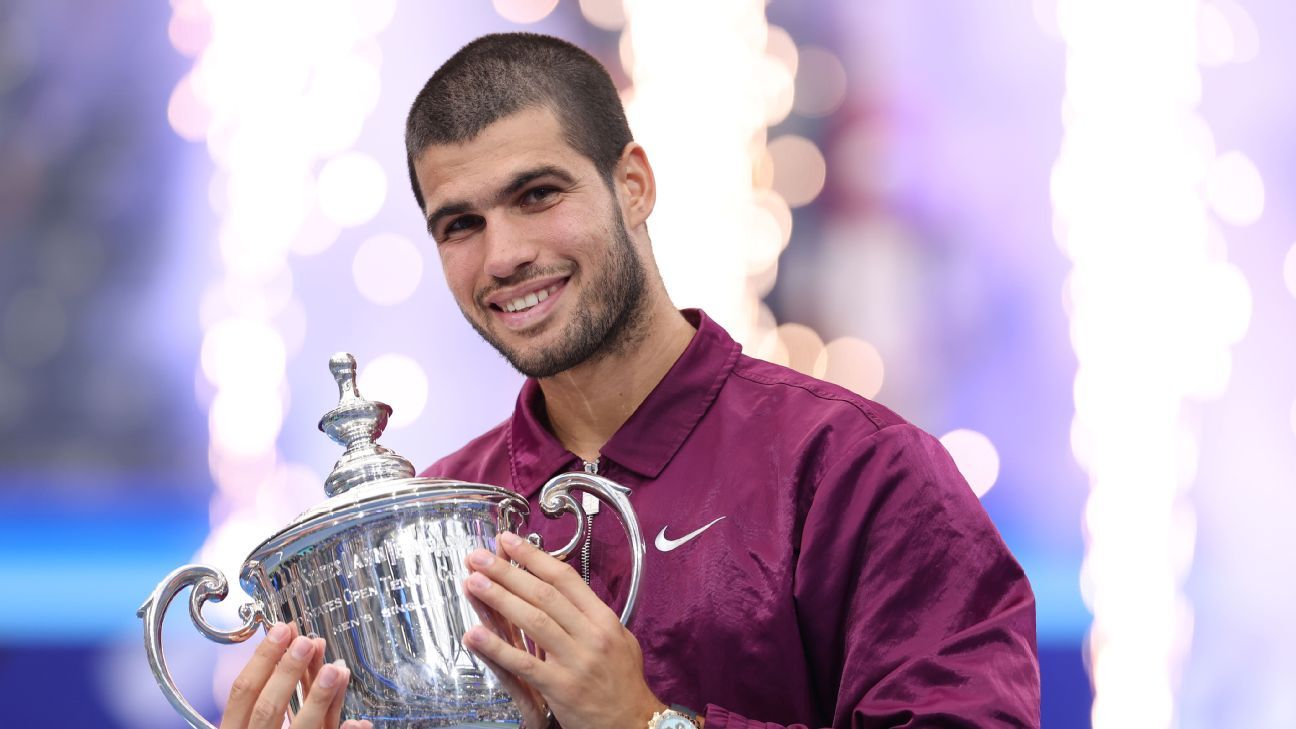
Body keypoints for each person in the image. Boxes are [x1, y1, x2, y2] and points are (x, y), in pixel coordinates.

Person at [223, 32, 1040, 729]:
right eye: (461, 224)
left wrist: (648, 722)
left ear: (634, 185)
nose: (503, 255)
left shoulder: (858, 469)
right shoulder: (438, 519)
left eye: (537, 194)